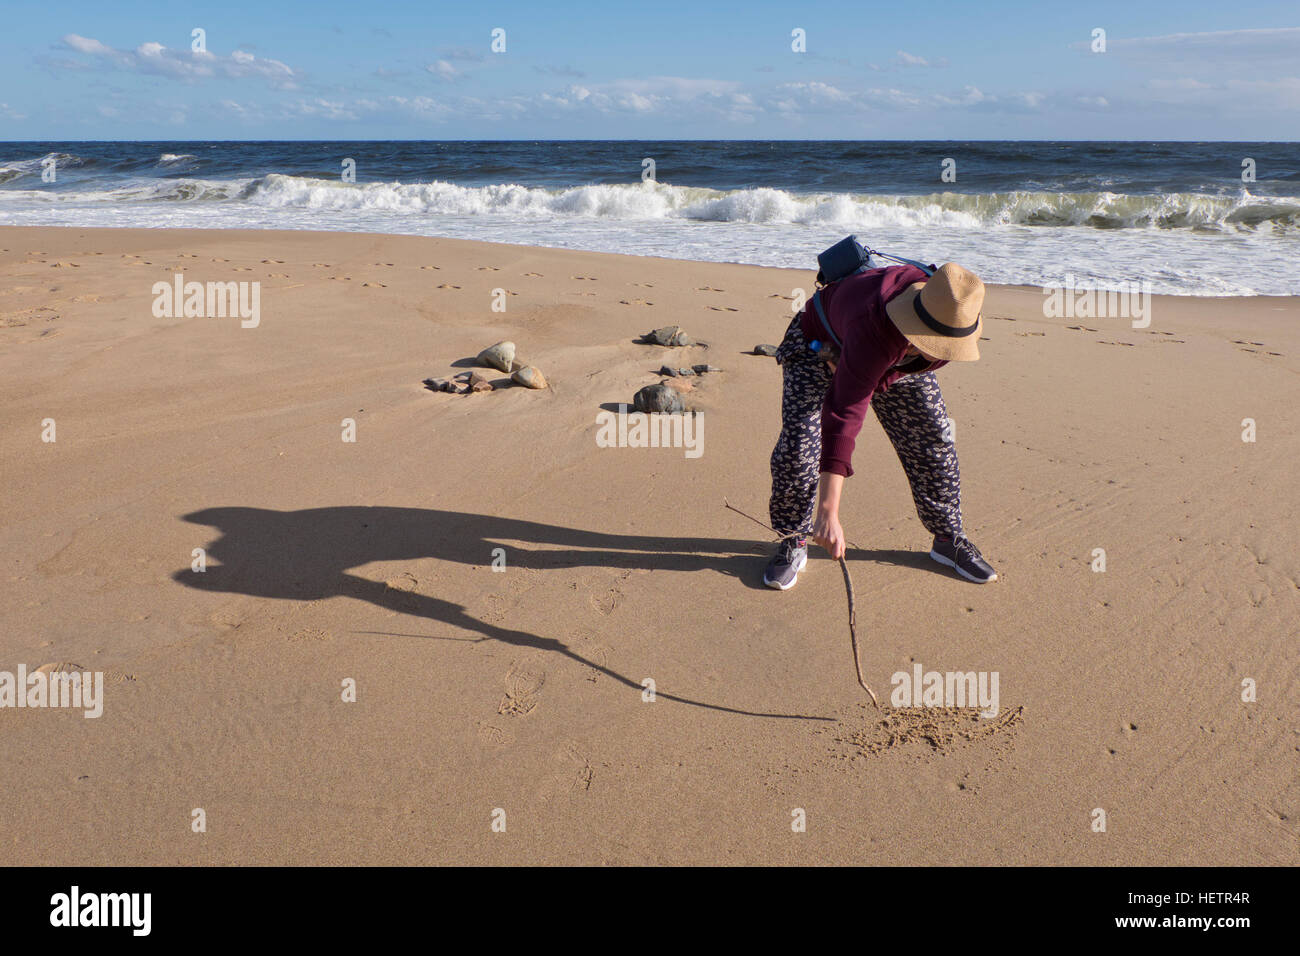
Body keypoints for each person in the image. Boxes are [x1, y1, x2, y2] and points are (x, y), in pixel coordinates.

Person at [764, 261, 997, 589]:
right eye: (932, 341)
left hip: (894, 362)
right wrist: (829, 512)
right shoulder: (876, 322)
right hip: (818, 344)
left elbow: (906, 365)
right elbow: (844, 414)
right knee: (800, 443)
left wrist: (878, 378)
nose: (939, 354)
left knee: (933, 437)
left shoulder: (953, 312)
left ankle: (948, 537)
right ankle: (794, 538)